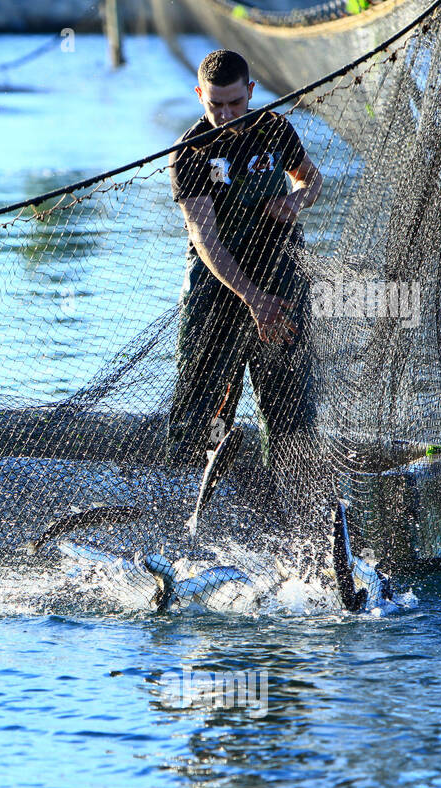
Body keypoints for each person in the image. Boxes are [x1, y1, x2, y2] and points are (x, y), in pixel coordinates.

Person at [165, 50, 324, 483]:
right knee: (203, 406)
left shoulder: (273, 128)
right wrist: (254, 300)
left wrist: (294, 200)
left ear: (251, 92)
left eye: (235, 103)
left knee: (289, 401)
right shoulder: (190, 151)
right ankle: (190, 495)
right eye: (215, 104)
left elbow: (313, 179)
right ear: (200, 95)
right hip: (217, 289)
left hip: (281, 277)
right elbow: (204, 237)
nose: (226, 113)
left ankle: (290, 496)